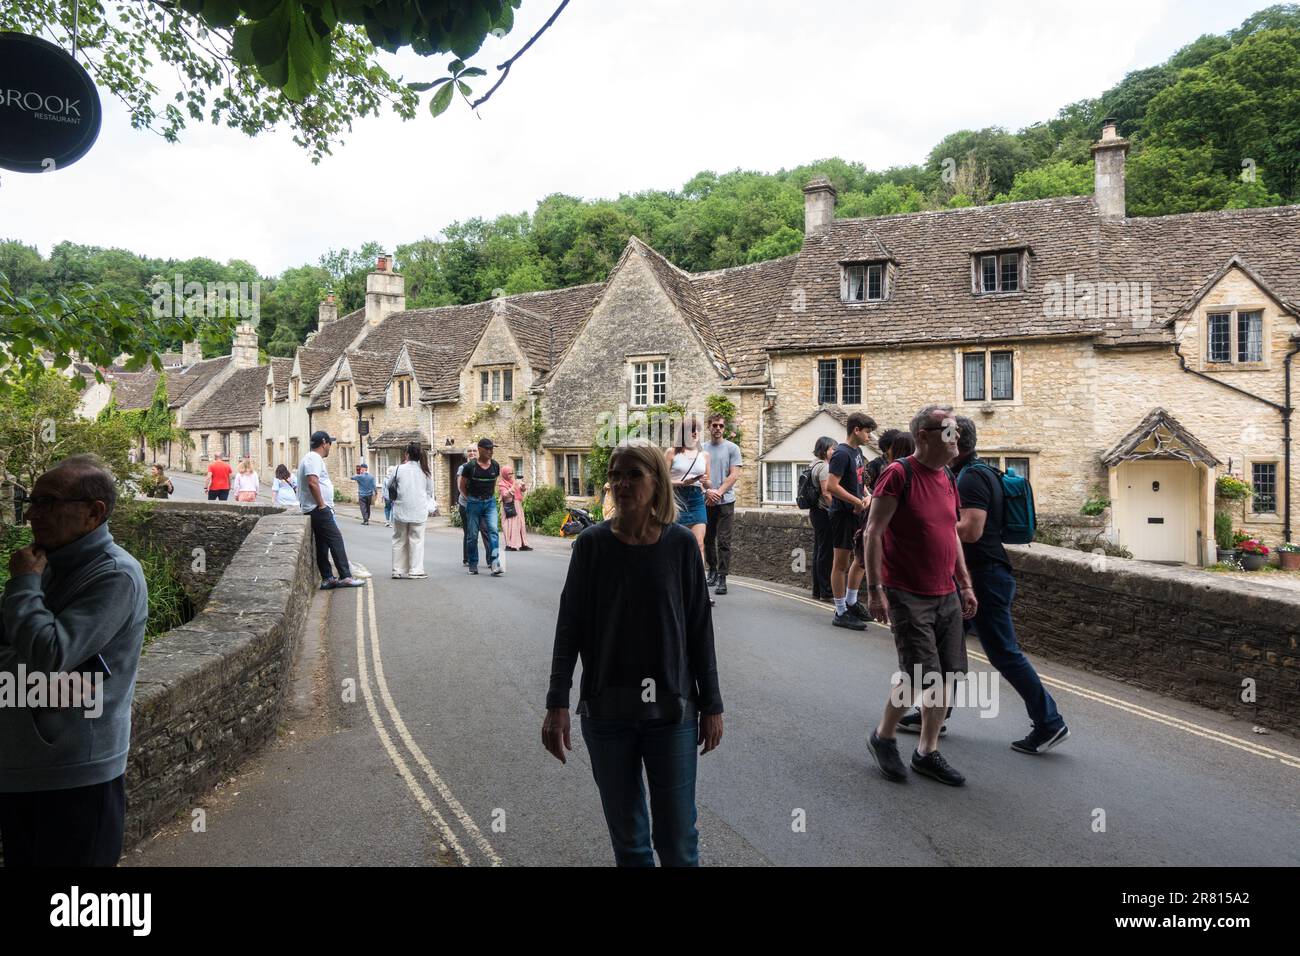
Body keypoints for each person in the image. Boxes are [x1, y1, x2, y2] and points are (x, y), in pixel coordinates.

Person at [543, 439, 723, 867]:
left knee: (679, 842)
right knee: (630, 844)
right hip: (608, 713)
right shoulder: (591, 546)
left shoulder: (681, 546)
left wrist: (712, 704)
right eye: (615, 474)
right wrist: (557, 703)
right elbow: (569, 628)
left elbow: (699, 629)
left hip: (672, 712)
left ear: (656, 482)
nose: (621, 483)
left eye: (633, 474)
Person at [0, 455, 149, 866]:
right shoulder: (49, 560)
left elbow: (50, 655)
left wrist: (23, 584)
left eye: (47, 502)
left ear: (93, 512)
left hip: (77, 773)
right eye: (31, 501)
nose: (31, 513)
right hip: (29, 766)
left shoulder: (115, 575)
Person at [896, 417, 1070, 754]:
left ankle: (1049, 722)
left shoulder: (973, 476)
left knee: (1004, 652)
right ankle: (934, 715)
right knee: (948, 649)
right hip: (974, 576)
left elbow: (971, 530)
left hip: (985, 577)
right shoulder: (968, 472)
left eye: (946, 437)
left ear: (956, 442)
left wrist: (924, 525)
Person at [863, 404, 976, 787]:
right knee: (918, 677)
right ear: (924, 436)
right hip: (907, 592)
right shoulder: (899, 474)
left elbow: (950, 535)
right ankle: (884, 736)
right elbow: (873, 532)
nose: (955, 436)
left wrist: (965, 584)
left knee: (945, 678)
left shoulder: (946, 476)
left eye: (957, 430)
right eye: (948, 430)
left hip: (945, 592)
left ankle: (927, 752)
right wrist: (875, 590)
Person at [824, 412, 876, 630]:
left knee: (859, 558)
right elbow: (831, 486)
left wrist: (865, 493)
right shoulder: (841, 454)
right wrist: (856, 501)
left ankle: (852, 602)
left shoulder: (857, 452)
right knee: (841, 564)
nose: (869, 437)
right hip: (843, 515)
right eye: (867, 432)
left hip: (856, 513)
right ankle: (840, 610)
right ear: (856, 429)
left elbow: (856, 479)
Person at [297, 431, 364, 590]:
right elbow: (313, 482)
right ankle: (345, 576)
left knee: (323, 544)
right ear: (323, 443)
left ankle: (328, 578)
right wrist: (321, 505)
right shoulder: (314, 458)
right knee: (336, 539)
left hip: (314, 508)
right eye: (330, 444)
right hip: (317, 509)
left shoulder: (310, 458)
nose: (330, 447)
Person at [667, 417, 712, 607]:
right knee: (674, 546)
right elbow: (660, 480)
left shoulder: (705, 455)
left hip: (696, 499)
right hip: (676, 499)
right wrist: (681, 483)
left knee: (699, 545)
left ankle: (699, 592)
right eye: (691, 430)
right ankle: (673, 589)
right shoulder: (671, 453)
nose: (695, 433)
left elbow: (709, 481)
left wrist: (706, 483)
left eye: (697, 430)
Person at [702, 411, 742, 597]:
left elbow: (734, 475)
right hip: (706, 500)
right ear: (709, 426)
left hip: (725, 501)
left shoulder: (732, 448)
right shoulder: (702, 449)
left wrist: (718, 492)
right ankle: (712, 570)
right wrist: (708, 492)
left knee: (724, 540)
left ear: (724, 428)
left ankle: (723, 578)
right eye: (714, 425)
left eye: (721, 425)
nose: (718, 428)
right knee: (708, 539)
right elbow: (698, 476)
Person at [391, 442, 436, 579]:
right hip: (418, 511)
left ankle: (397, 570)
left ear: (407, 454)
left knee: (399, 540)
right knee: (416, 540)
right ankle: (415, 570)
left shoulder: (397, 469)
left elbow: (389, 486)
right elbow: (429, 492)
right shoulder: (425, 472)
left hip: (401, 510)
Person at [459, 437, 503, 576]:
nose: (491, 451)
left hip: (490, 503)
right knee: (472, 535)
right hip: (474, 503)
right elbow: (462, 486)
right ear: (480, 450)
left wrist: (488, 497)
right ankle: (473, 564)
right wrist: (470, 499)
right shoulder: (469, 467)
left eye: (492, 449)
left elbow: (493, 483)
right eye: (488, 449)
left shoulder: (495, 466)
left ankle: (495, 564)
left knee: (494, 531)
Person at [807, 436, 837, 603]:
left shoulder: (813, 463)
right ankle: (826, 591)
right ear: (824, 450)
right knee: (826, 553)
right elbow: (826, 493)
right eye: (832, 448)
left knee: (819, 550)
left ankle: (817, 590)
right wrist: (835, 509)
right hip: (824, 513)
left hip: (815, 512)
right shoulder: (824, 467)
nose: (834, 451)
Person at [499, 464, 532, 552]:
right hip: (509, 506)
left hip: (518, 505)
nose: (511, 475)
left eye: (512, 473)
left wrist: (523, 486)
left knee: (520, 524)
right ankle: (510, 545)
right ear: (504, 474)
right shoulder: (502, 484)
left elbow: (522, 490)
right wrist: (514, 485)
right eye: (509, 473)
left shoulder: (513, 480)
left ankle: (522, 544)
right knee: (510, 525)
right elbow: (505, 495)